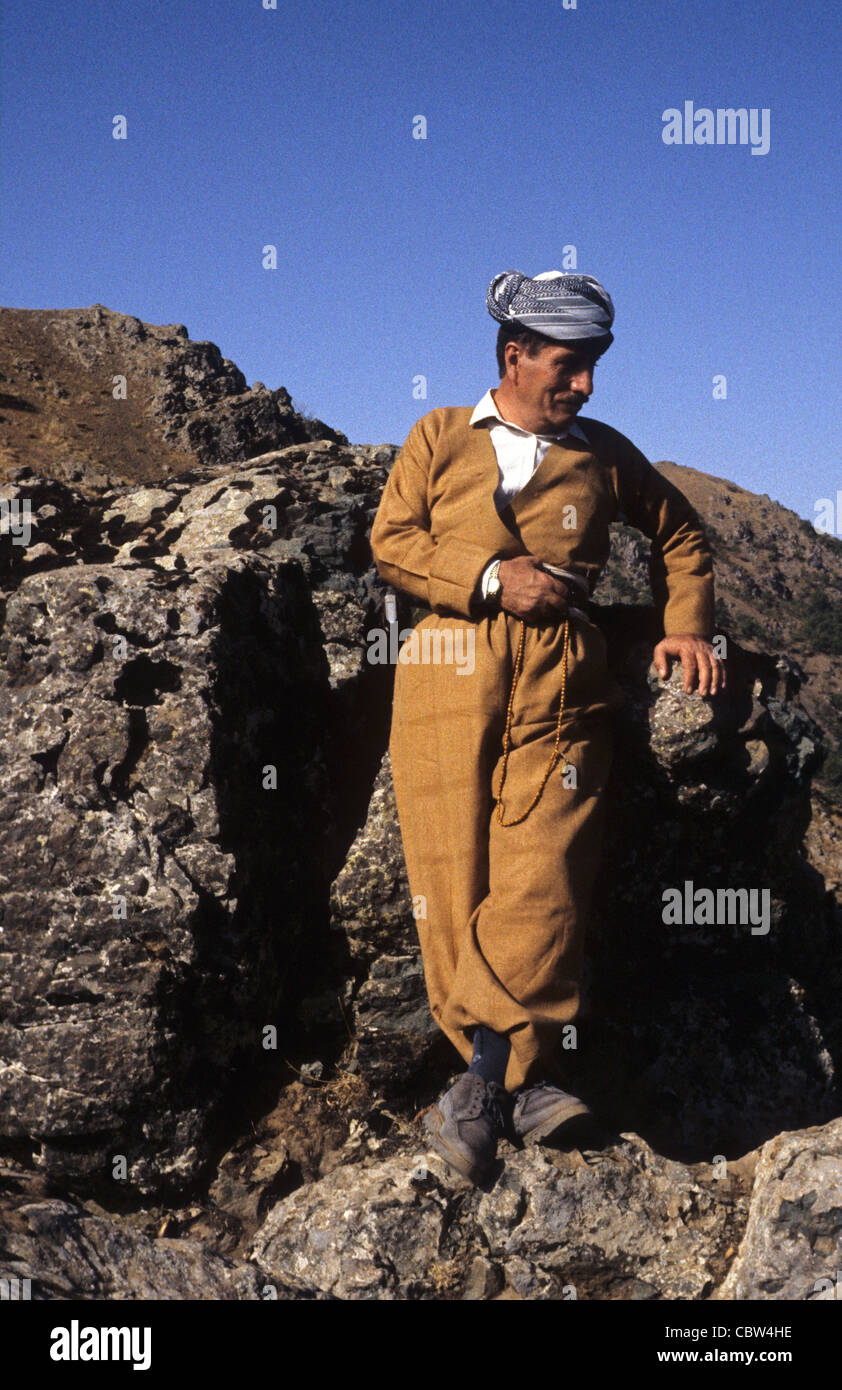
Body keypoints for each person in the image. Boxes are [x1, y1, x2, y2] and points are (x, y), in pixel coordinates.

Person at [369, 269, 725, 1183]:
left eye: (596, 367)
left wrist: (684, 624)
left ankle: (482, 1084)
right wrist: (492, 578)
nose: (587, 386)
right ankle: (528, 1085)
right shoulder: (439, 435)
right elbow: (392, 542)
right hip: (446, 676)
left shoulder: (605, 454)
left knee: (546, 880)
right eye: (570, 366)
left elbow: (681, 536)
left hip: (564, 685)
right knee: (449, 878)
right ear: (514, 355)